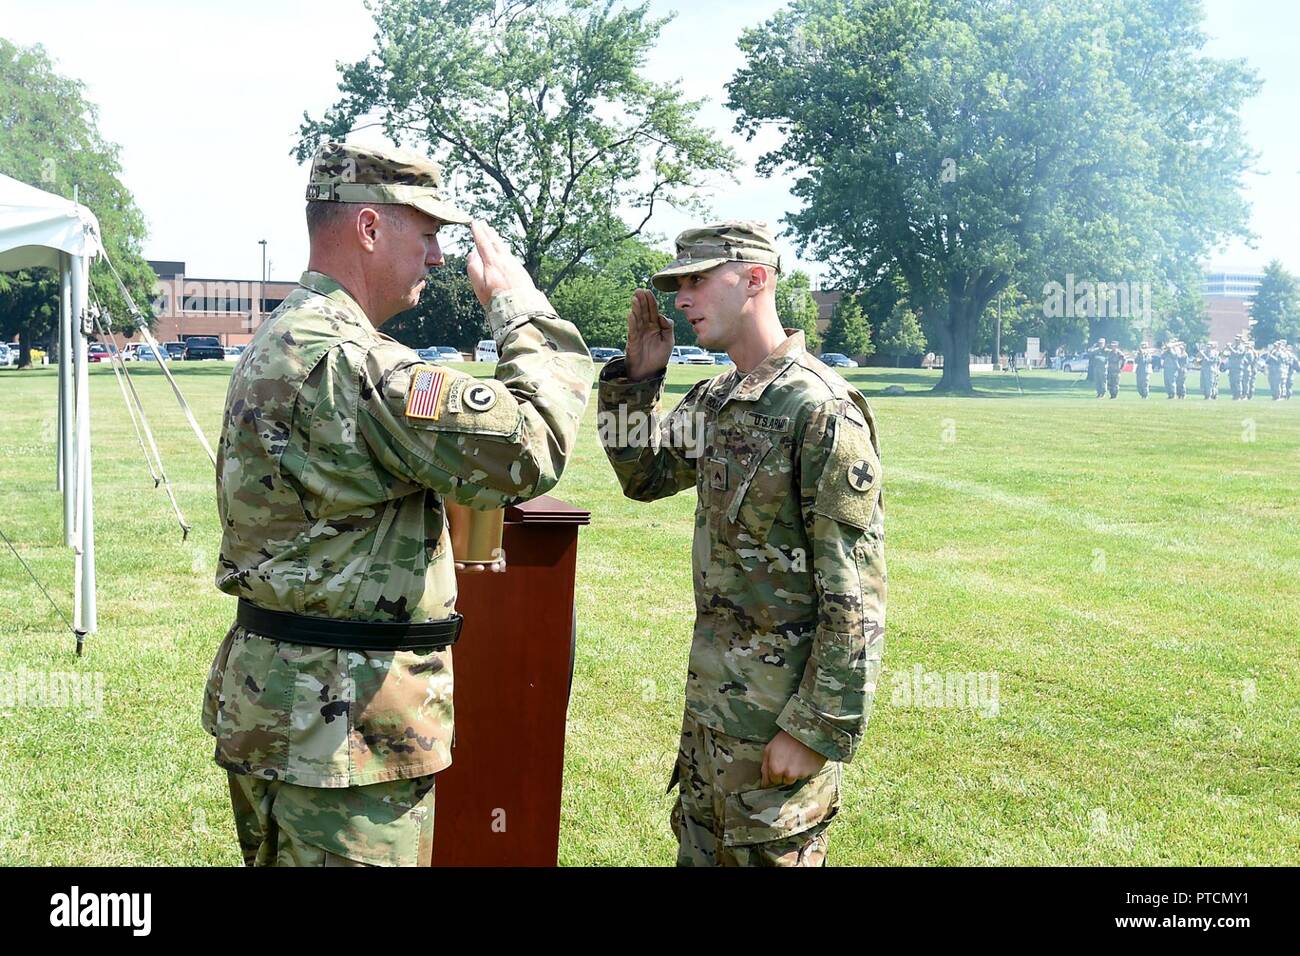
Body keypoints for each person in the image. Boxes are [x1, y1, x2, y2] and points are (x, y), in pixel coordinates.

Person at [202, 141, 594, 867]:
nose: (440, 256)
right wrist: (519, 309)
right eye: (429, 232)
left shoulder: (285, 334)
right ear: (370, 228)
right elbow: (531, 446)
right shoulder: (357, 361)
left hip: (281, 704)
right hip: (344, 730)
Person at [597, 221, 885, 866]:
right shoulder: (719, 397)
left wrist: (816, 728)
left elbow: (855, 590)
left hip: (776, 724)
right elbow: (643, 476)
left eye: (697, 281)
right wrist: (637, 383)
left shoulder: (819, 409)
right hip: (712, 716)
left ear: (755, 279)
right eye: (677, 285)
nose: (681, 299)